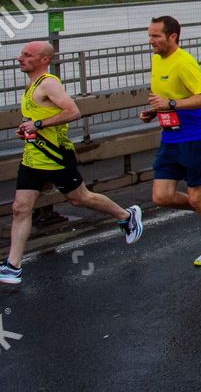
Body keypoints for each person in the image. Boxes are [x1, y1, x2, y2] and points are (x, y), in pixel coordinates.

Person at [3, 42, 143, 286]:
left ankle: (127, 215)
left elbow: (73, 111)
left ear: (44, 59)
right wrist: (28, 128)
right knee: (20, 208)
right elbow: (40, 117)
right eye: (21, 54)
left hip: (56, 155)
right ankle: (13, 266)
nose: (20, 58)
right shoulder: (31, 84)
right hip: (33, 156)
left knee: (80, 198)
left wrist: (37, 125)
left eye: (27, 55)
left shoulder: (49, 83)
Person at [139, 16, 201, 266]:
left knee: (196, 197)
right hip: (170, 137)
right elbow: (168, 98)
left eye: (156, 36)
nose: (151, 41)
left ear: (173, 37)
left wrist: (170, 104)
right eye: (149, 36)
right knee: (161, 197)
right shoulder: (157, 59)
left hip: (193, 137)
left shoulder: (184, 62)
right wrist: (155, 112)